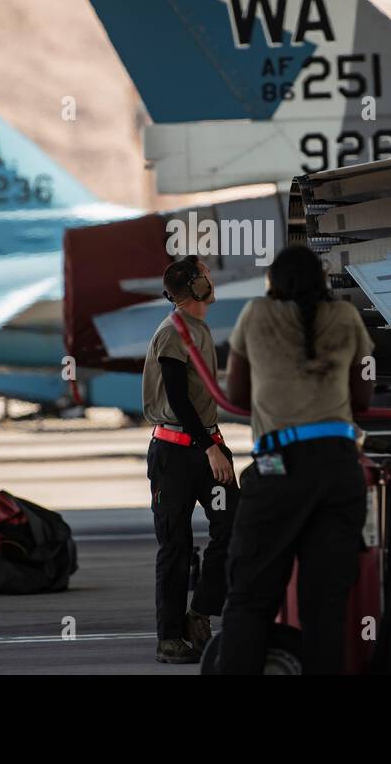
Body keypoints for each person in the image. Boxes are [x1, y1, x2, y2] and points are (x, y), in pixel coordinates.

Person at [216, 245, 375, 675]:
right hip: (340, 466)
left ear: (273, 283)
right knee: (326, 607)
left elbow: (236, 395)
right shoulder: (346, 317)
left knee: (250, 596)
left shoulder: (256, 315)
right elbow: (363, 395)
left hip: (278, 466)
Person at [140, 257, 239, 664]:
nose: (212, 282)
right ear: (196, 287)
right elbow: (178, 397)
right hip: (178, 454)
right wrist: (210, 448)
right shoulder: (174, 332)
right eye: (207, 277)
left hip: (202, 446)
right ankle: (168, 639)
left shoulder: (194, 327)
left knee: (232, 527)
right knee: (175, 546)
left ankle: (199, 614)